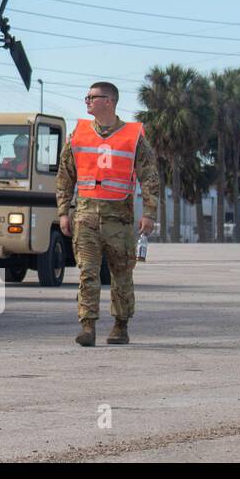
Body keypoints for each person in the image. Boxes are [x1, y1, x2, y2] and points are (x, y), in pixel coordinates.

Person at [56, 81, 160, 347]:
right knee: (87, 273)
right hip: (85, 217)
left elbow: (149, 177)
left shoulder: (133, 136)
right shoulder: (78, 134)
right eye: (87, 96)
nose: (87, 101)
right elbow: (65, 176)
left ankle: (120, 326)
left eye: (93, 97)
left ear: (109, 101)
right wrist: (64, 211)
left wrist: (149, 212)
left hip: (120, 220)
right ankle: (87, 327)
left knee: (121, 275)